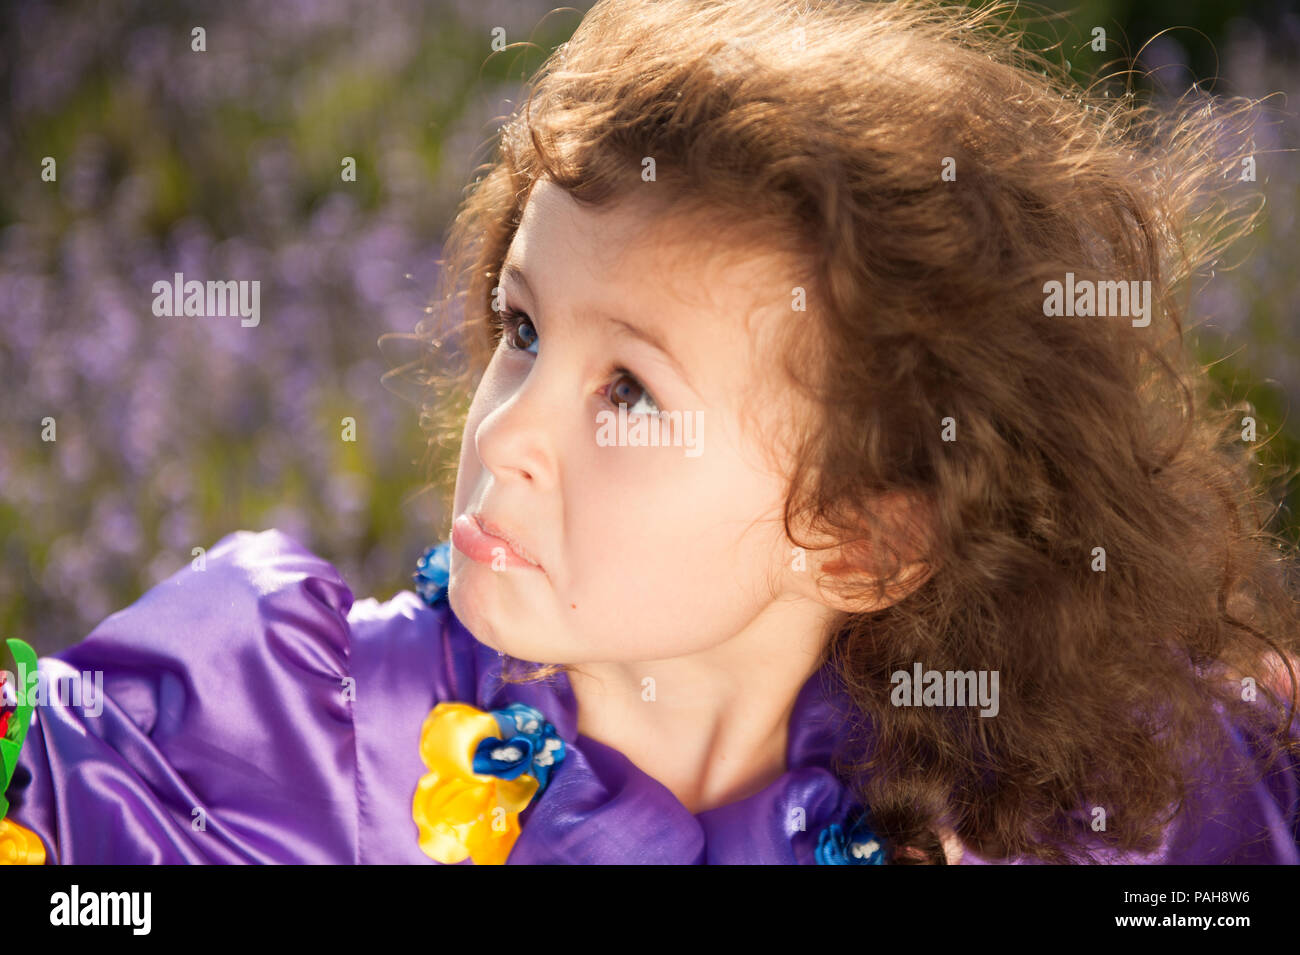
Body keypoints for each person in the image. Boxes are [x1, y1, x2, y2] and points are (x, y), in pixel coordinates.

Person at [3, 0, 1299, 865]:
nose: (505, 433)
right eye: (522, 329)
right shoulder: (288, 726)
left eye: (628, 392)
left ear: (859, 536)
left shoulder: (1085, 794)